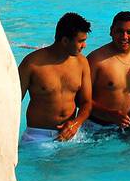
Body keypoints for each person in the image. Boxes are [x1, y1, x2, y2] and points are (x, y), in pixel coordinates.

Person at [18, 12, 93, 143]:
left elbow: (87, 103)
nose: (84, 45)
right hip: (38, 136)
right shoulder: (32, 63)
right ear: (65, 41)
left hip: (71, 134)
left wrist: (75, 124)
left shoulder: (82, 63)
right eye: (81, 41)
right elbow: (12, 102)